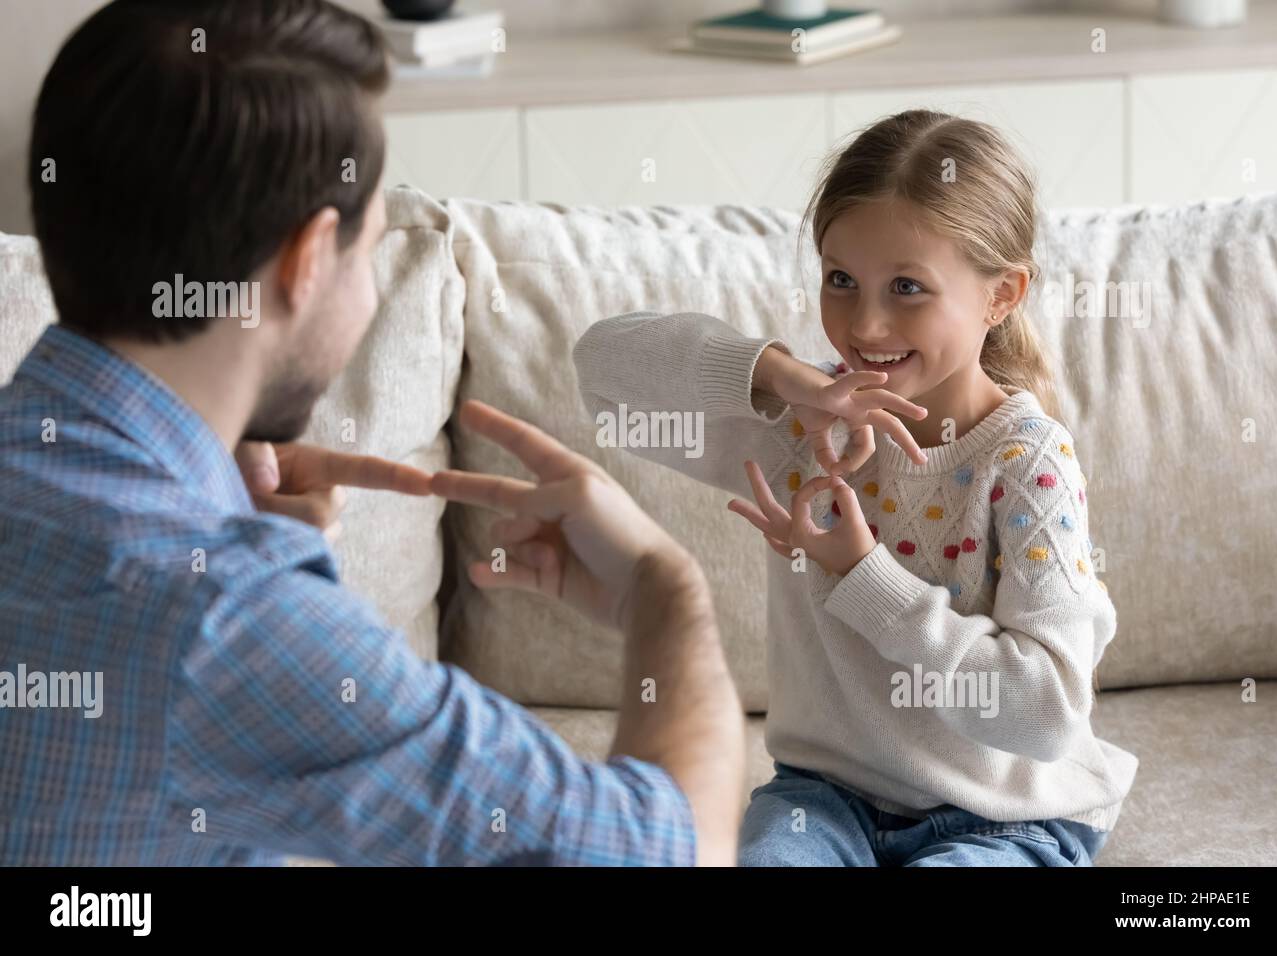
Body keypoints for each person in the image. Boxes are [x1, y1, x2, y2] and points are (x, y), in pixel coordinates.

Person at [0, 0, 744, 866]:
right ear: (307, 259)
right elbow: (672, 849)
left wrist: (215, 509)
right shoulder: (230, 622)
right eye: (369, 254)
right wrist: (666, 587)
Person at [573, 109, 1139, 866]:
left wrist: (863, 575)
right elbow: (602, 377)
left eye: (908, 287)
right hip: (821, 801)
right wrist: (774, 376)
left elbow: (1045, 714)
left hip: (1000, 817)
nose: (866, 325)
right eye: (842, 280)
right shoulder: (799, 428)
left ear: (1002, 296)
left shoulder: (1028, 464)